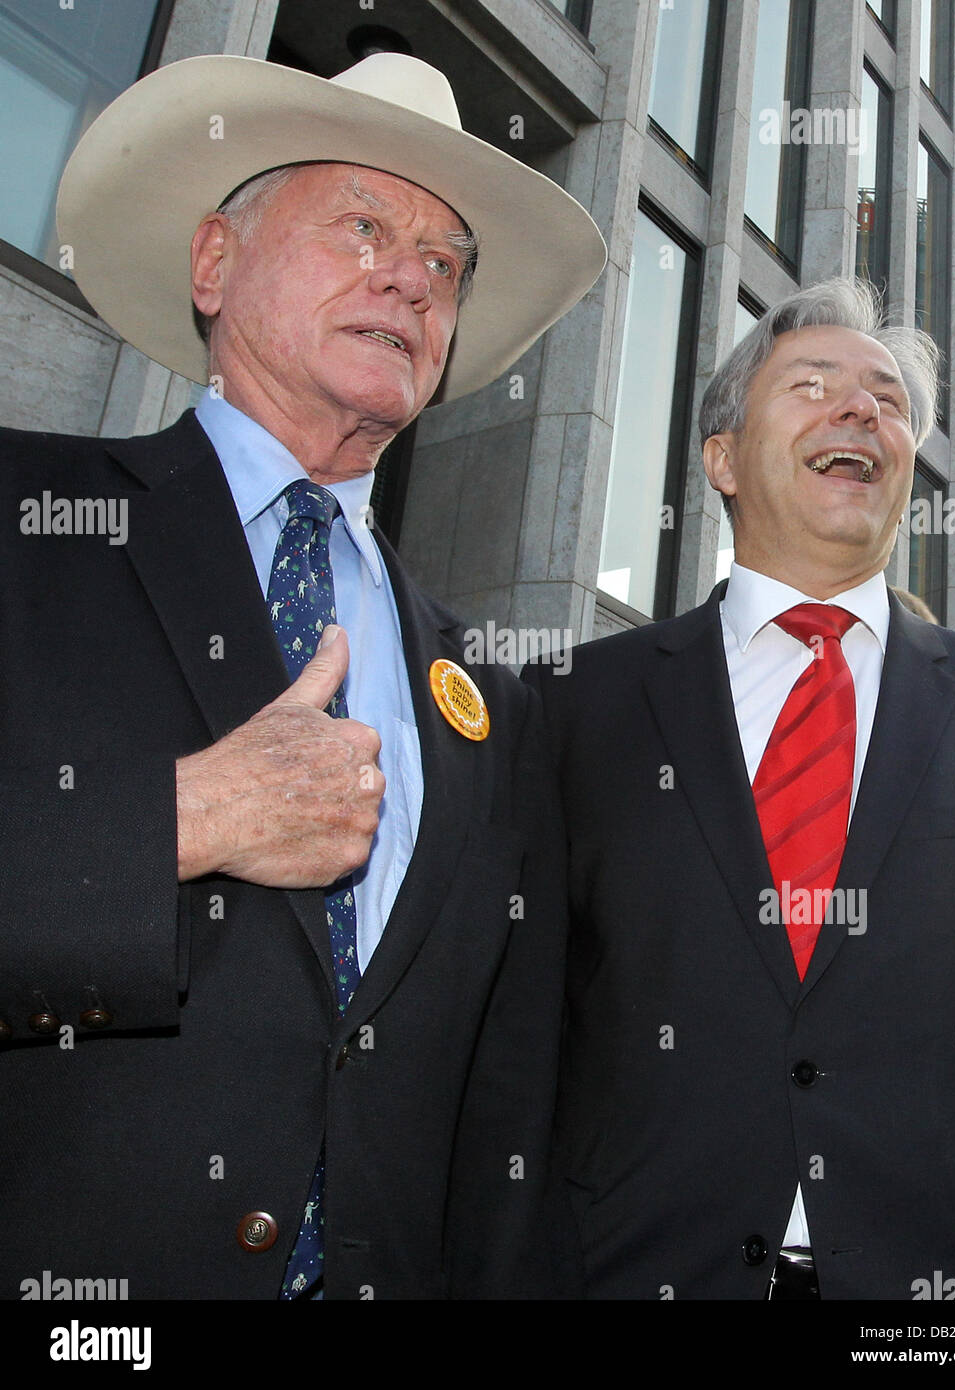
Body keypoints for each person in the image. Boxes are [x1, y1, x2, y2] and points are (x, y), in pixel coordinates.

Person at [0, 51, 605, 1300]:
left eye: (445, 264)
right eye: (364, 226)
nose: (410, 277)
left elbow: (503, 1099)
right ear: (213, 262)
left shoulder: (486, 699)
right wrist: (188, 819)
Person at [526, 278, 955, 1300]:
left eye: (886, 400)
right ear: (720, 457)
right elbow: (514, 1038)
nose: (860, 411)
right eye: (813, 385)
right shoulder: (570, 710)